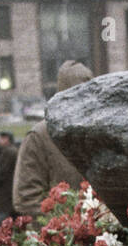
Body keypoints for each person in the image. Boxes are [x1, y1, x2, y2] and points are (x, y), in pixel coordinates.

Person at [12, 61, 92, 216]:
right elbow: (26, 198)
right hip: (60, 235)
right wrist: (68, 225)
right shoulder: (39, 137)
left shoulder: (96, 132)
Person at [0, 131, 18, 227]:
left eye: (1, 138)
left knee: (2, 227)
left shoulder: (9, 152)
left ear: (7, 139)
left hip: (6, 196)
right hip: (10, 196)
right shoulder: (11, 151)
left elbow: (2, 174)